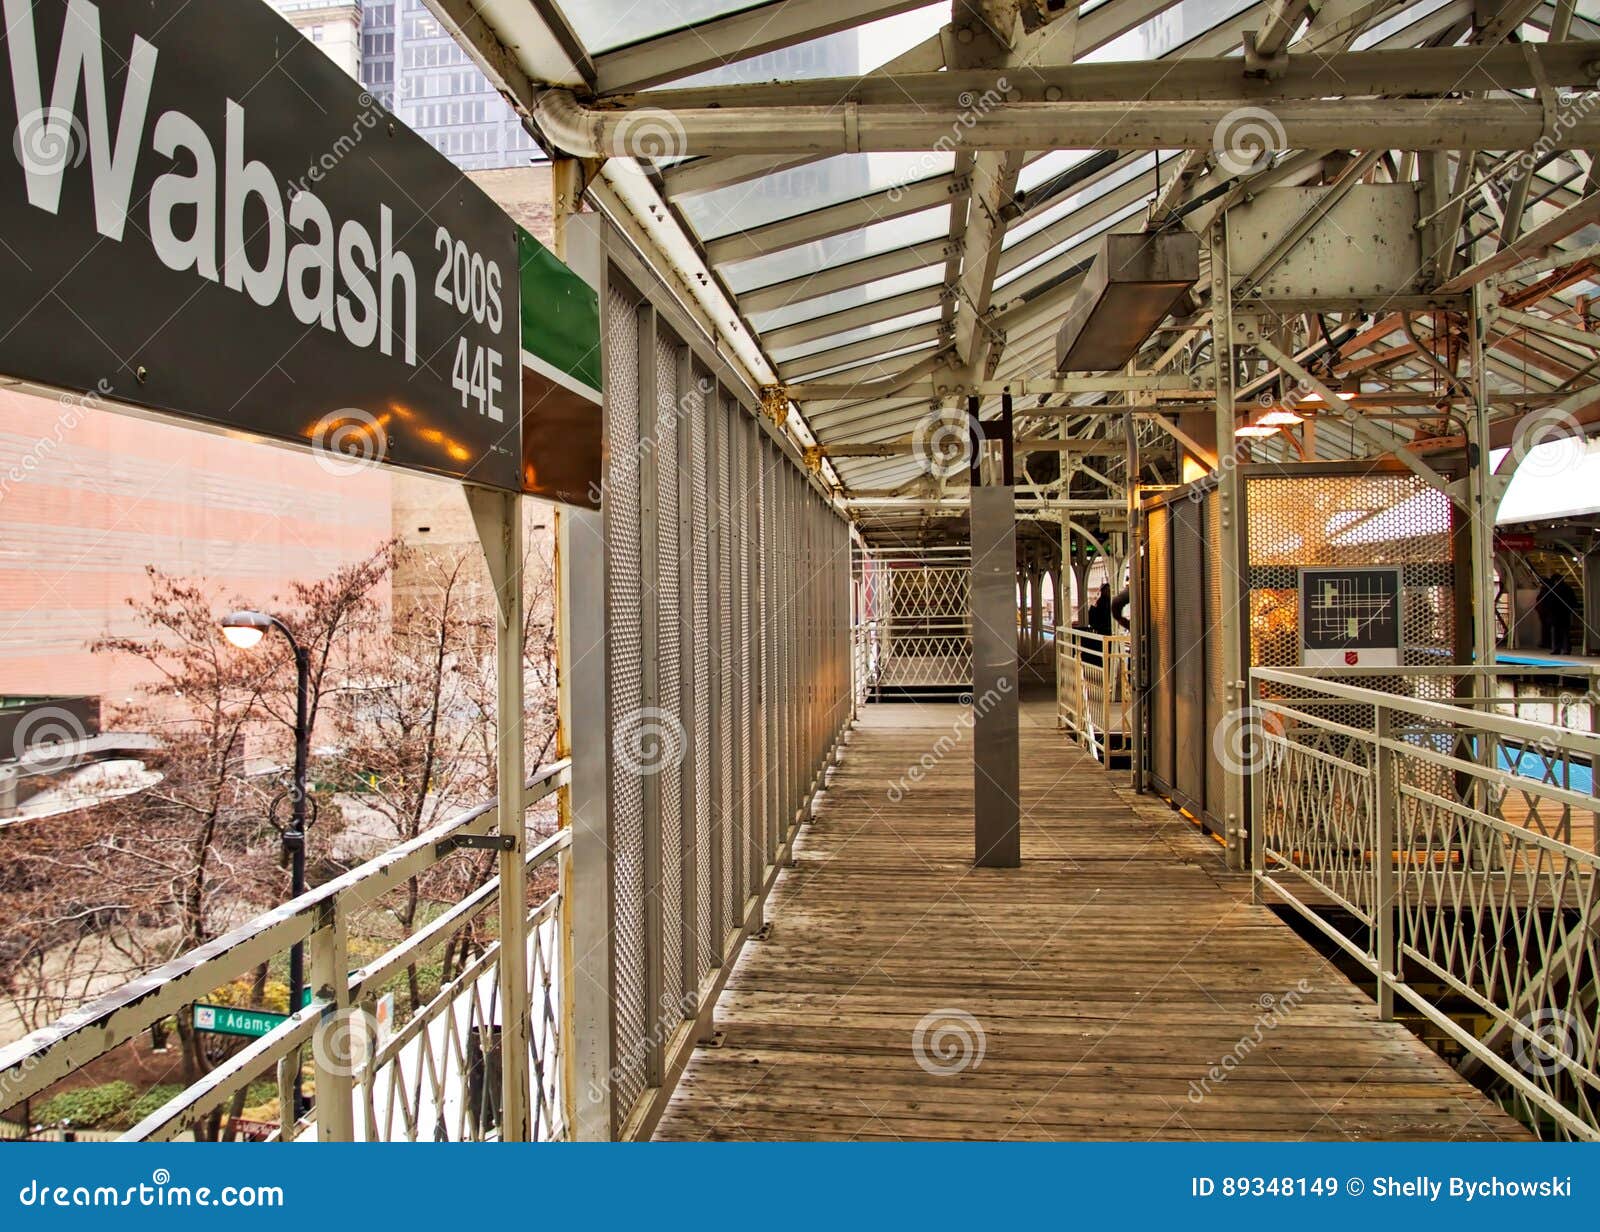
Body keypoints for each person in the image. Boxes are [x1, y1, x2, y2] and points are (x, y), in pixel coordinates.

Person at [1537, 572, 1579, 657]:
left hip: (1556, 613)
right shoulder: (1567, 588)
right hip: (1563, 613)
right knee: (1564, 632)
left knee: (1557, 632)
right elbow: (1574, 601)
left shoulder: (1553, 589)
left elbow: (1548, 601)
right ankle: (1565, 649)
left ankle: (1557, 648)